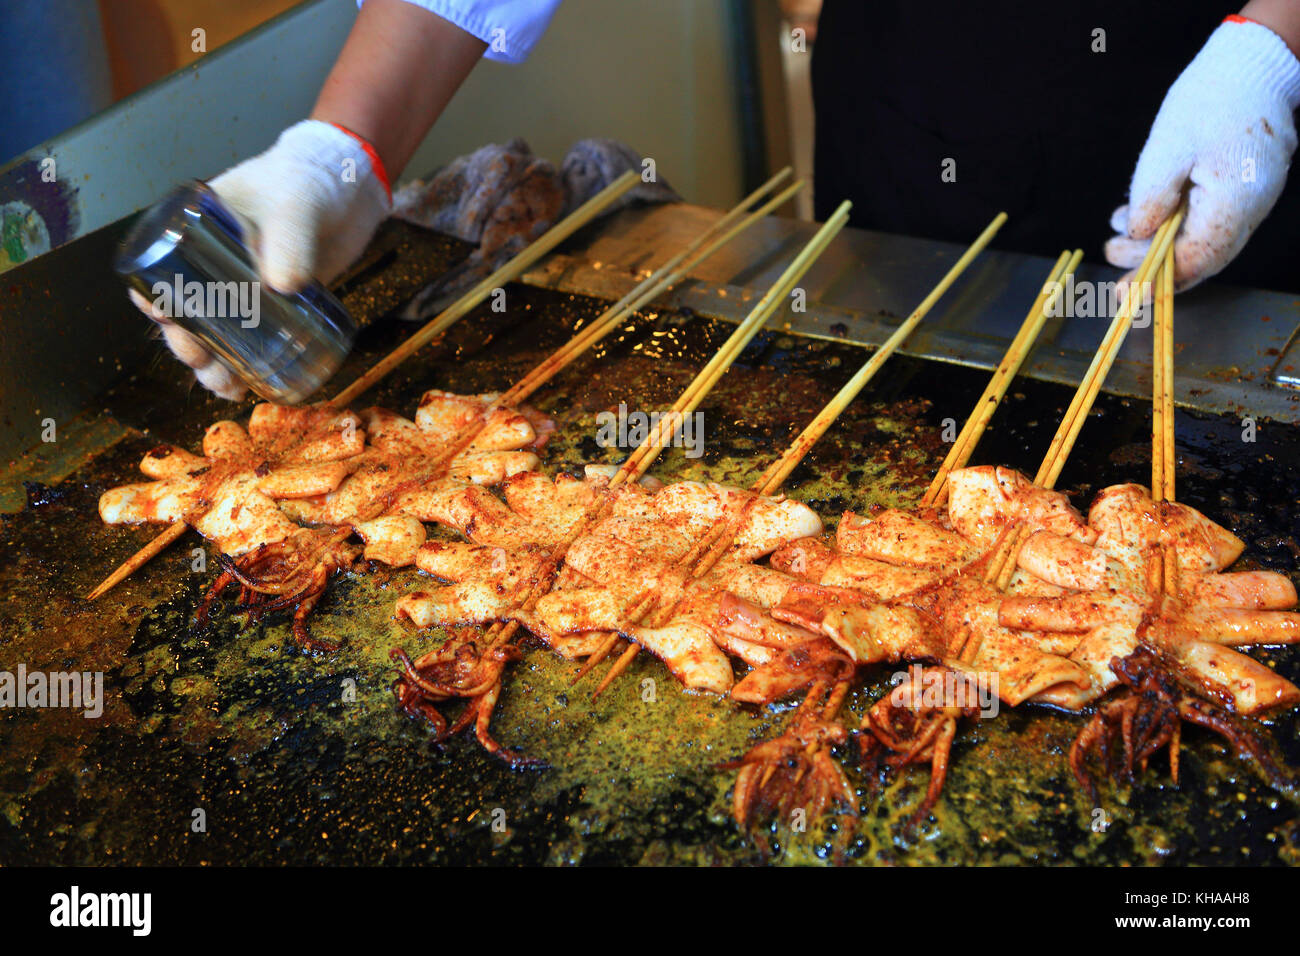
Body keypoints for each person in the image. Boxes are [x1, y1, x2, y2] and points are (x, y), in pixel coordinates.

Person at [142, 0, 1300, 399]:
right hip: (928, 113)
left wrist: (1271, 51)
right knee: (905, 414)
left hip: (1233, 99)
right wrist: (342, 149)